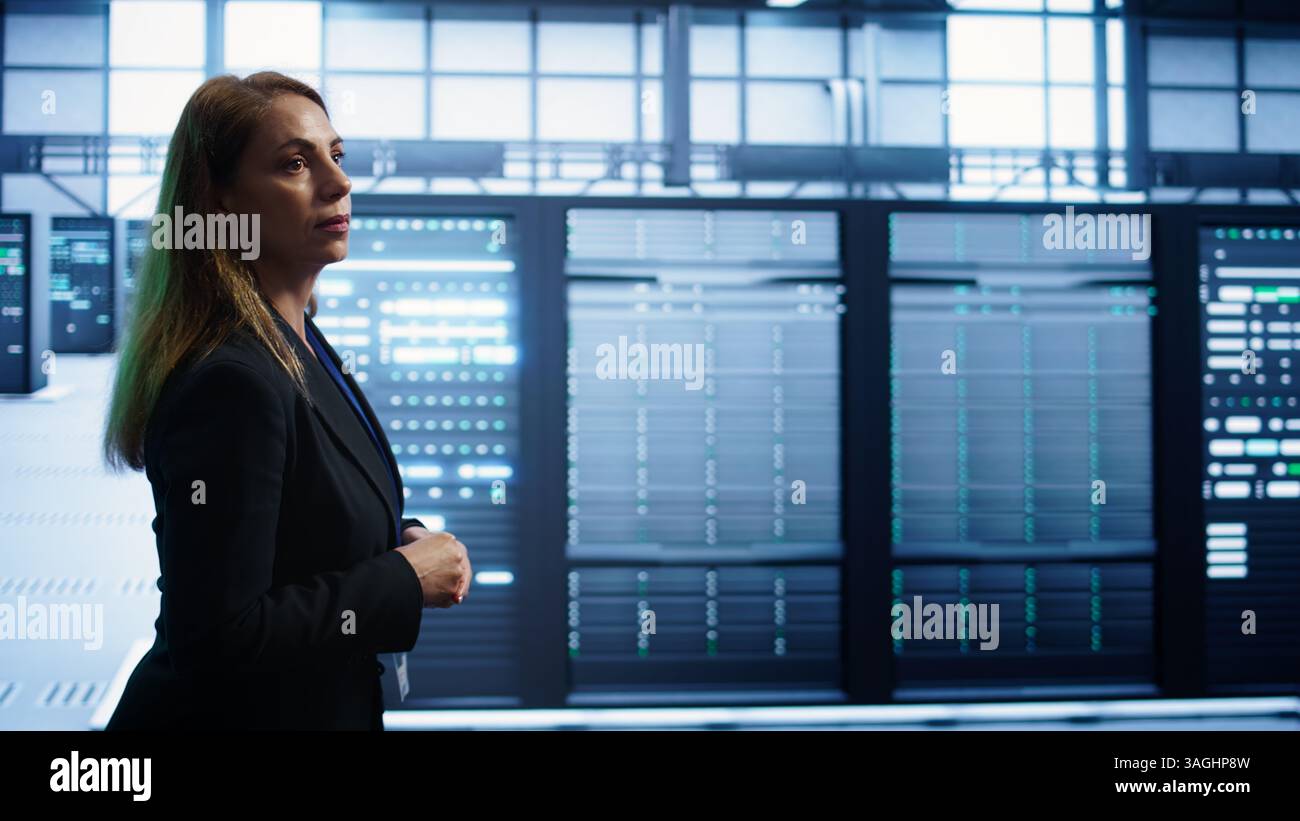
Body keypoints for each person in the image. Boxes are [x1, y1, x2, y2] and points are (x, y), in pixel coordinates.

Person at [101, 72, 471, 730]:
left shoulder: (302, 343)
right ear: (220, 206)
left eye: (337, 155)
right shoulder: (232, 379)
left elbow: (299, 525)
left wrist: (394, 540)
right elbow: (217, 638)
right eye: (295, 163)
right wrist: (401, 578)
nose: (338, 182)